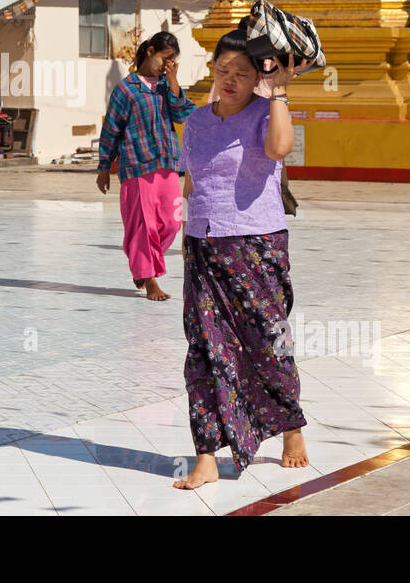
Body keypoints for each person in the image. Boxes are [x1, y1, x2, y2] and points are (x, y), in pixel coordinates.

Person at [173, 28, 309, 491]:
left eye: (241, 73)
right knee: (205, 350)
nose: (229, 80)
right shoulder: (195, 121)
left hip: (255, 244)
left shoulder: (264, 113)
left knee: (268, 342)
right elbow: (192, 180)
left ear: (258, 78)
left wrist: (279, 93)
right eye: (222, 70)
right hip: (203, 246)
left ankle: (290, 427)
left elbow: (280, 149)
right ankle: (207, 454)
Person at [96, 31, 196, 301]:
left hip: (167, 163)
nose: (167, 64)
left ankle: (143, 263)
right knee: (144, 226)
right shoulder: (127, 89)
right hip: (137, 165)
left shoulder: (166, 86)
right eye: (166, 58)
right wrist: (104, 166)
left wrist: (173, 80)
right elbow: (111, 129)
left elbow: (183, 113)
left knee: (173, 223)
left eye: (173, 60)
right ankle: (149, 279)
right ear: (150, 51)